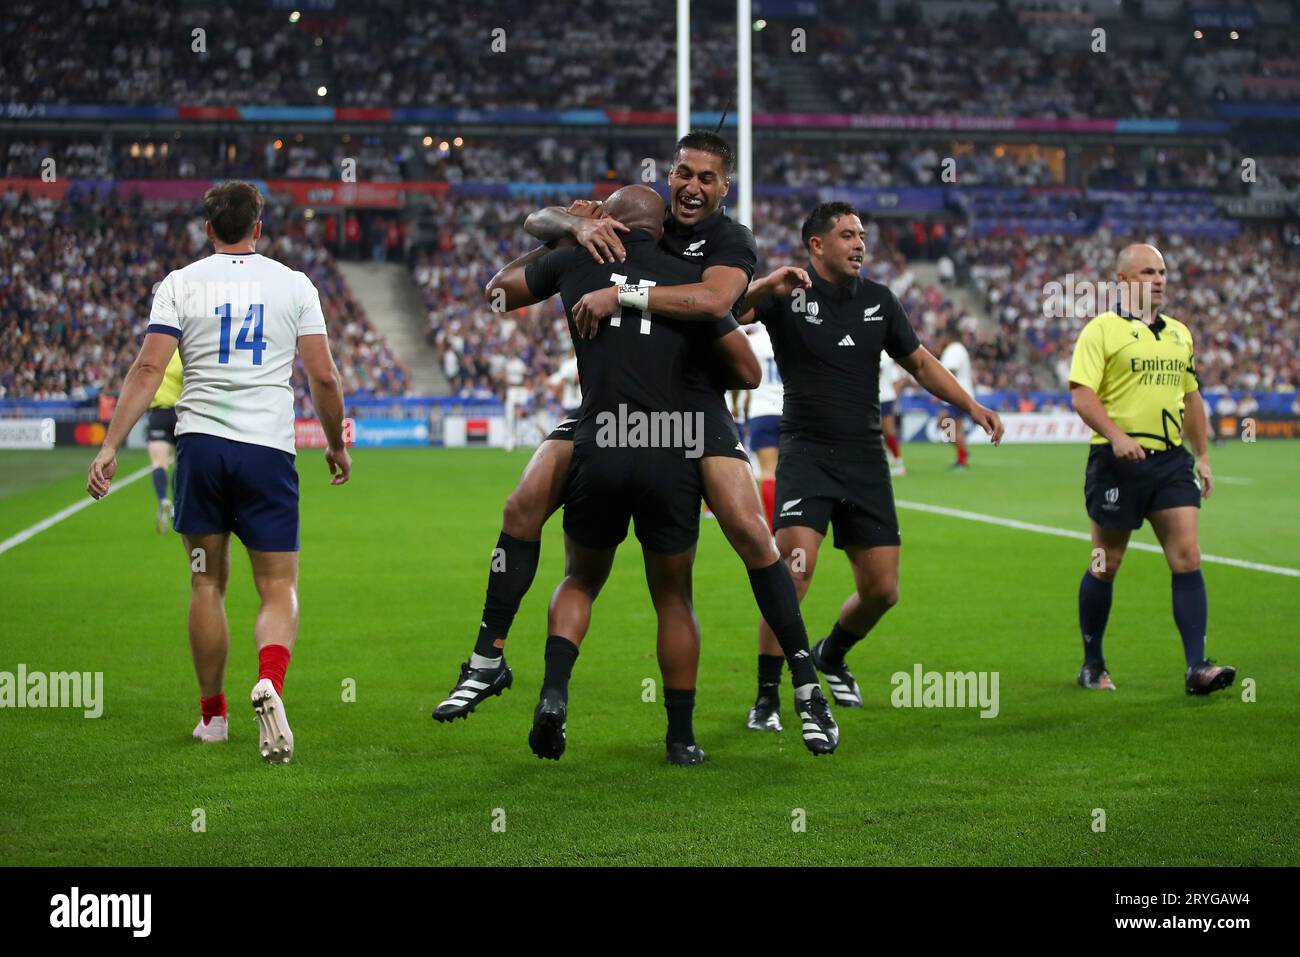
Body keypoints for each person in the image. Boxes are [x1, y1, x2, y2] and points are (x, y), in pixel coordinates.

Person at [432, 132, 841, 754]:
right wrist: (573, 226)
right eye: (682, 174)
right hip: (659, 421)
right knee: (677, 567)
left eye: (706, 178)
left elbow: (711, 302)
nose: (691, 187)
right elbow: (742, 360)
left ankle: (803, 686)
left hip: (652, 415)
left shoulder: (725, 241)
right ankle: (695, 725)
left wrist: (606, 273)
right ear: (668, 179)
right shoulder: (634, 246)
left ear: (723, 187)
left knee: (738, 535)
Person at [476, 185, 759, 764]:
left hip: (601, 439)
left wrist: (565, 231)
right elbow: (748, 369)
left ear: (611, 220)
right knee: (674, 598)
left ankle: (553, 693)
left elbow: (498, 293)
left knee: (580, 579)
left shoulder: (580, 258)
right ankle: (680, 737)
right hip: (670, 445)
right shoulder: (690, 280)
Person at [86, 181, 352, 763]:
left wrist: (110, 446)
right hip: (266, 453)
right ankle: (270, 683)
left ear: (208, 229)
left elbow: (149, 366)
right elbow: (324, 379)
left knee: (206, 582)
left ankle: (212, 718)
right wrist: (336, 444)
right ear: (259, 227)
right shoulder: (294, 285)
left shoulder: (179, 284)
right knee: (277, 587)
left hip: (201, 450)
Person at [741, 202, 1003, 727]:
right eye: (846, 235)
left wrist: (969, 406)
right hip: (806, 452)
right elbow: (723, 313)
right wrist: (766, 283)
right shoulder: (785, 295)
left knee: (883, 590)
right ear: (816, 245)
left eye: (861, 235)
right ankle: (768, 695)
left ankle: (832, 653)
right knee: (793, 572)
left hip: (864, 457)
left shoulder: (880, 301)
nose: (859, 244)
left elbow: (921, 362)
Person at [1067, 242, 1234, 695]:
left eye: (1162, 271)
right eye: (1147, 272)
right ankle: (1092, 663)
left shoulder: (1180, 333)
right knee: (1106, 562)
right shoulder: (1101, 330)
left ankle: (1197, 668)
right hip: (1115, 463)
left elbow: (1192, 397)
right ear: (1122, 282)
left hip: (1170, 463)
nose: (1158, 279)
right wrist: (1117, 436)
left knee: (1187, 557)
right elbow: (1082, 394)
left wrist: (1202, 455)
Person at [742, 320, 783, 529]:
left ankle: (775, 530)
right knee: (795, 472)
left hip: (763, 411)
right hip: (790, 411)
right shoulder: (789, 337)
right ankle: (794, 523)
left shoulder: (753, 341)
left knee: (768, 472)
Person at [146, 350, 183, 533]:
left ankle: (163, 500)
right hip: (180, 412)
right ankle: (177, 505)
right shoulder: (182, 352)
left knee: (158, 463)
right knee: (179, 463)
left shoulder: (156, 351)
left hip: (158, 412)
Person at [938, 324, 975, 469]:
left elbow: (949, 372)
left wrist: (938, 390)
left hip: (955, 394)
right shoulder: (959, 349)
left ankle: (962, 457)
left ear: (948, 337)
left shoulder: (953, 349)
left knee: (946, 422)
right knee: (953, 426)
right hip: (960, 394)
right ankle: (962, 454)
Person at [879, 350, 906, 477]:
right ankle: (893, 459)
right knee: (884, 432)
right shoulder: (887, 355)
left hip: (882, 397)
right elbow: (896, 378)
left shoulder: (883, 354)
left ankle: (898, 463)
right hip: (884, 396)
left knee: (888, 431)